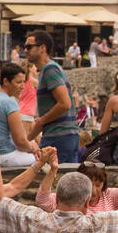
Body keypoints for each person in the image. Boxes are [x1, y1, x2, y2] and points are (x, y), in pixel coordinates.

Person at [25, 31, 78, 164]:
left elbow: (65, 104)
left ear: (42, 48)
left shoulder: (50, 70)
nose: (25, 50)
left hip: (59, 138)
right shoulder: (48, 70)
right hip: (63, 137)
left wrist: (42, 120)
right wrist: (25, 141)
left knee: (51, 181)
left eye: (29, 47)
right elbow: (45, 120)